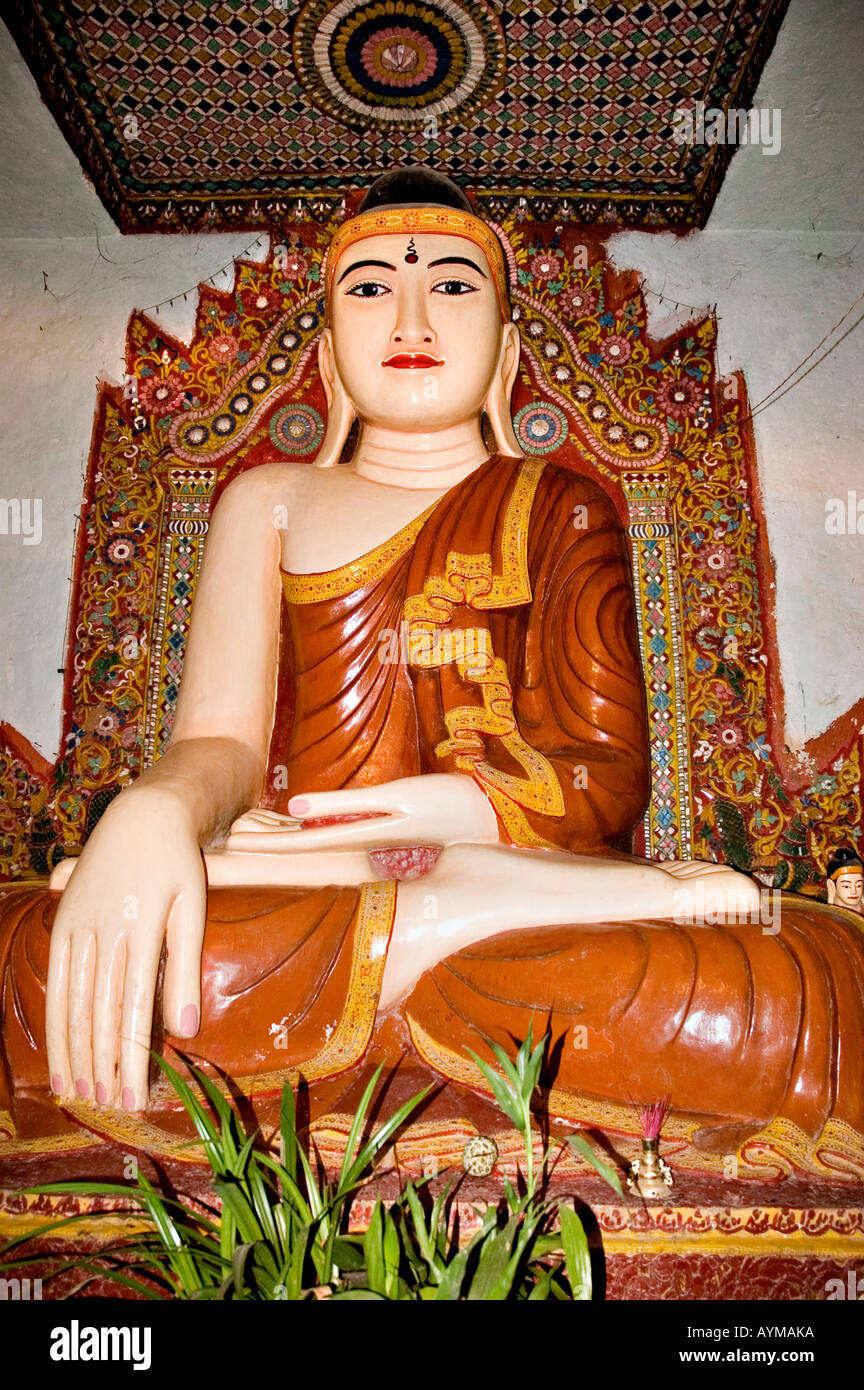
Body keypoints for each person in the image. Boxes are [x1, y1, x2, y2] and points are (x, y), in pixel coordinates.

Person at [2, 169, 863, 1173]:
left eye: (453, 287)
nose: (411, 314)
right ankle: (432, 962)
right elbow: (218, 743)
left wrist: (437, 811)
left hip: (515, 883)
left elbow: (605, 772)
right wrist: (152, 813)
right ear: (328, 354)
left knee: (809, 973)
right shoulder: (269, 500)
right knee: (35, 943)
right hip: (299, 886)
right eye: (370, 289)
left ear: (503, 353)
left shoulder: (563, 505)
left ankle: (434, 956)